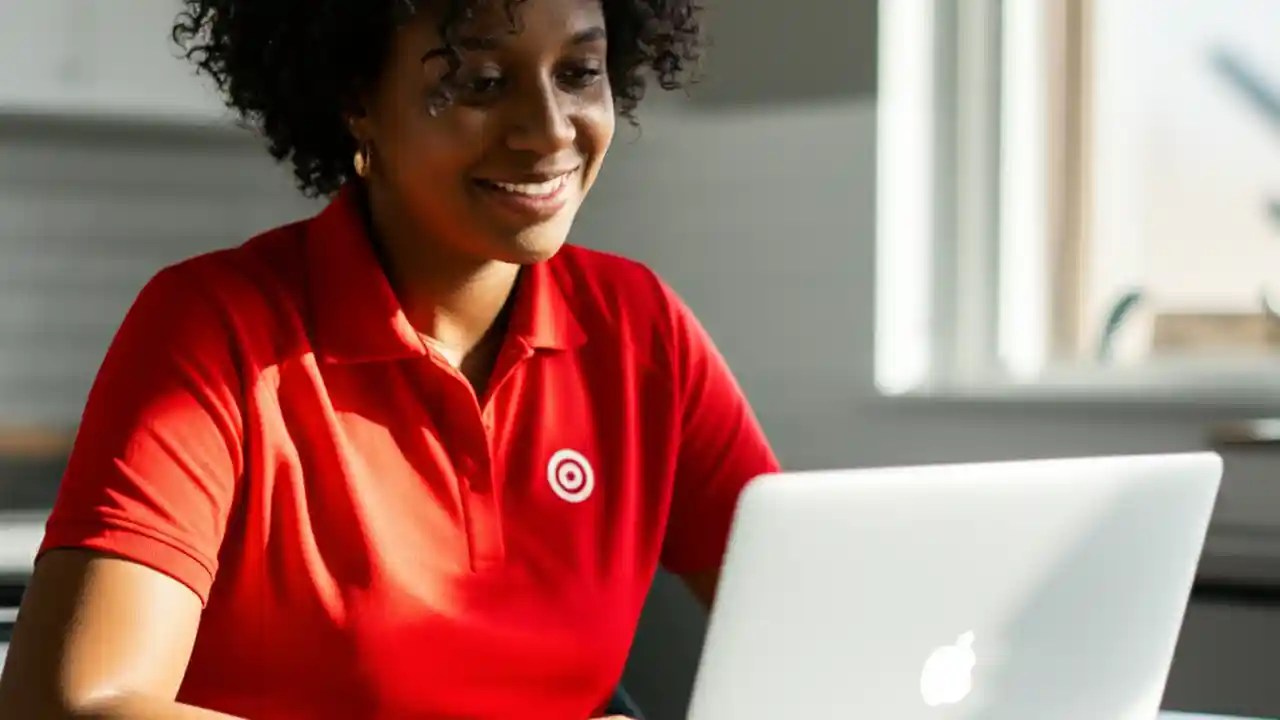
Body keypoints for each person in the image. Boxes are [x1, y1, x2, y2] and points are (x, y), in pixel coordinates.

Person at [0, 0, 779, 717]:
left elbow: (821, 614)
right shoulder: (215, 328)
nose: (547, 130)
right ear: (357, 99)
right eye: (479, 81)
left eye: (578, 73)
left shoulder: (640, 330)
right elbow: (75, 705)